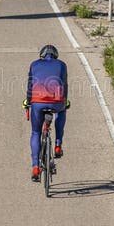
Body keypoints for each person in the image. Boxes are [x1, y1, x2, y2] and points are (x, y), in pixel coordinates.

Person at [23, 44, 69, 182]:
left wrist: (28, 101)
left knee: (36, 132)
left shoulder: (34, 64)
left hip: (37, 102)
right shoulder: (62, 65)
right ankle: (58, 145)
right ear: (56, 55)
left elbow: (30, 86)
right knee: (62, 112)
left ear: (42, 55)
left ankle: (35, 167)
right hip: (57, 101)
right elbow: (64, 85)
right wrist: (65, 101)